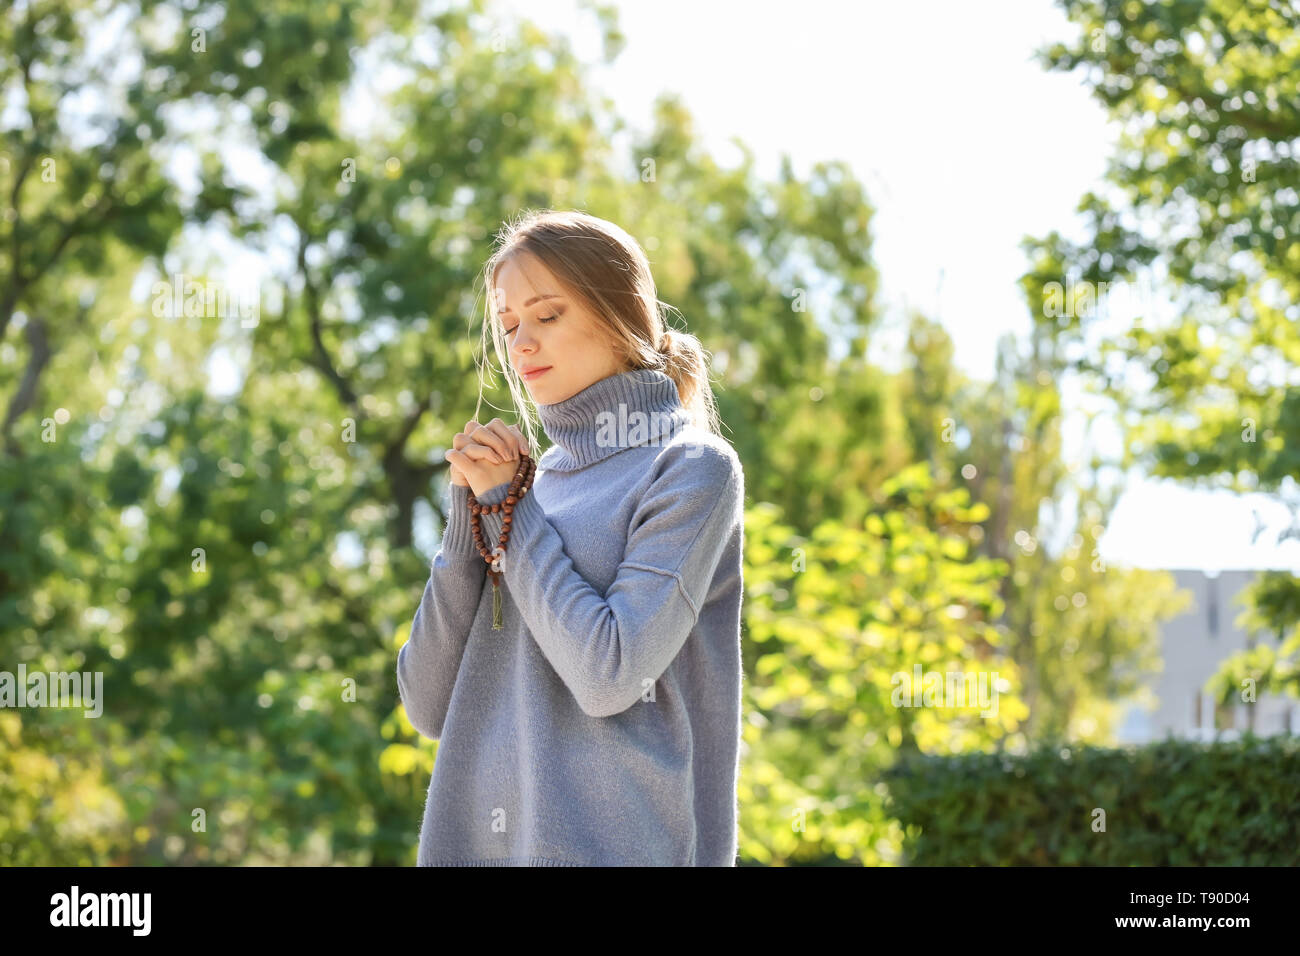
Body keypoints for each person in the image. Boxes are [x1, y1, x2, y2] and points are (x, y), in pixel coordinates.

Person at [396, 209, 745, 866]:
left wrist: (512, 510)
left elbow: (610, 674)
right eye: (507, 326)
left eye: (547, 315)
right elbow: (428, 703)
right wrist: (470, 514)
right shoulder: (526, 485)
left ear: (624, 317)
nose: (521, 343)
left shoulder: (690, 469)